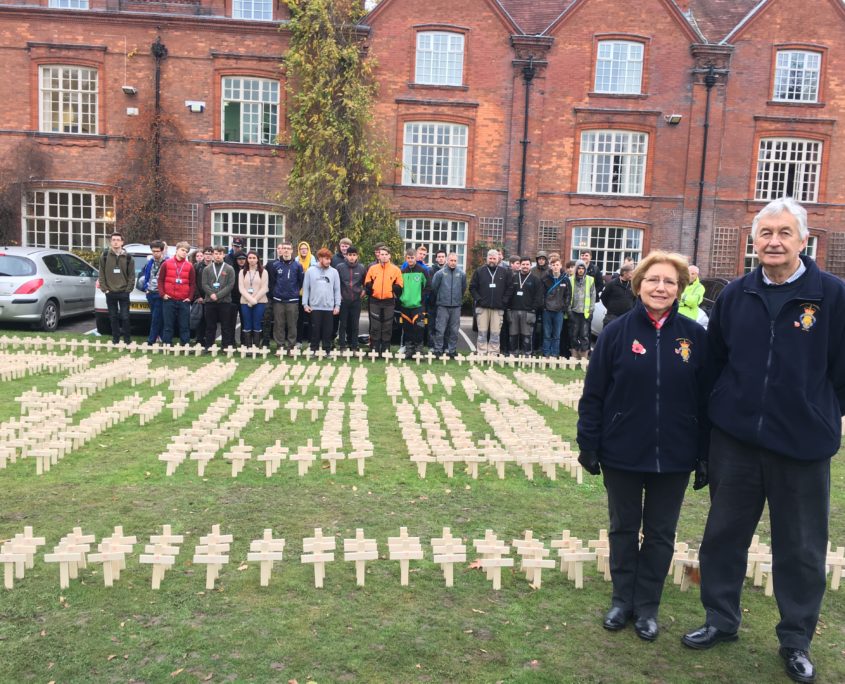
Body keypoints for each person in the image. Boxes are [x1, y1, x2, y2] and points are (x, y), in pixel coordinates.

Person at [682, 198, 845, 684]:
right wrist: (718, 421)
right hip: (737, 441)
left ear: (803, 240)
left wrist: (819, 410)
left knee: (800, 548)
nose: (774, 242)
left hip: (801, 445)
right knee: (724, 537)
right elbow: (715, 363)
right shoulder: (735, 294)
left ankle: (795, 640)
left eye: (784, 233)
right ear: (755, 241)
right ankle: (720, 619)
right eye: (766, 233)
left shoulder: (832, 296)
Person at [578, 250, 709, 642]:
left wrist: (704, 453)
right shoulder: (617, 332)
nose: (661, 287)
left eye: (670, 281)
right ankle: (622, 600)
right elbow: (595, 392)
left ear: (680, 289)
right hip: (622, 451)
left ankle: (648, 606)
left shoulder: (695, 336)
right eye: (653, 280)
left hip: (674, 454)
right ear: (639, 284)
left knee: (660, 533)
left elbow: (706, 400)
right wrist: (589, 441)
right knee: (623, 528)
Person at [469, 249, 511, 355]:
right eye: (490, 258)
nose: (492, 260)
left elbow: (510, 288)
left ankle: (493, 351)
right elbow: (472, 287)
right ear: (487, 259)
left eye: (494, 258)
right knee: (482, 332)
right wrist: (479, 299)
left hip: (498, 308)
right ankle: (481, 351)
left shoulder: (504, 272)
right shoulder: (479, 271)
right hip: (482, 307)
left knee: (495, 332)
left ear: (498, 259)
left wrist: (504, 301)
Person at [364, 245, 403, 354]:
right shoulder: (372, 268)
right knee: (375, 326)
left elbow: (400, 284)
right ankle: (374, 348)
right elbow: (367, 282)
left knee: (387, 326)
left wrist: (392, 291)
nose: (384, 256)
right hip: (375, 301)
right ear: (378, 255)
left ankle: (385, 349)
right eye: (382, 254)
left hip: (389, 302)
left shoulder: (396, 270)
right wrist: (371, 290)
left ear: (389, 256)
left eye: (386, 254)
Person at [98, 232, 135, 344]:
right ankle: (116, 339)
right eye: (113, 239)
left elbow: (132, 276)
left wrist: (128, 290)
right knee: (113, 317)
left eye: (118, 240)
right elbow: (101, 274)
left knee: (125, 317)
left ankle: (127, 339)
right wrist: (105, 289)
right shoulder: (104, 256)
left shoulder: (128, 258)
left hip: (124, 292)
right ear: (111, 241)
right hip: (110, 292)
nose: (115, 242)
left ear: (122, 242)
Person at [302, 247, 341, 354]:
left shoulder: (334, 272)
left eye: (329, 259)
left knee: (328, 331)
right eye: (326, 259)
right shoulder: (310, 271)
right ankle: (313, 349)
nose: (328, 261)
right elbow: (306, 289)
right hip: (314, 307)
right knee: (315, 330)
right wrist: (305, 304)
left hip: (329, 307)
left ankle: (327, 350)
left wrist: (337, 306)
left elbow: (337, 290)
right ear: (320, 258)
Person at [269, 241, 304, 352]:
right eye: (284, 248)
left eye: (288, 248)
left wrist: (294, 292)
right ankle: (280, 346)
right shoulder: (275, 265)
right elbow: (272, 281)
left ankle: (291, 347)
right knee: (279, 324)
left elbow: (300, 281)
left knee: (292, 324)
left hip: (292, 300)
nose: (286, 250)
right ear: (281, 250)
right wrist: (276, 293)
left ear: (292, 250)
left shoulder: (297, 265)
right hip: (278, 300)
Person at [159, 241, 196, 345]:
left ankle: (185, 345)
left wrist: (190, 297)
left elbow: (193, 283)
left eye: (186, 251)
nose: (184, 253)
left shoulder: (189, 266)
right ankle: (167, 344)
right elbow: (160, 280)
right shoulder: (166, 263)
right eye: (182, 250)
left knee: (184, 325)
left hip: (183, 300)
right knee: (168, 325)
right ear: (177, 250)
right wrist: (163, 294)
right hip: (169, 299)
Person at [506, 257, 543, 356]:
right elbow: (508, 293)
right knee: (513, 334)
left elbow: (538, 296)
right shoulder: (513, 278)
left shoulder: (535, 280)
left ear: (531, 266)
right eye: (523, 264)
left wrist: (533, 309)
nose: (525, 266)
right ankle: (513, 353)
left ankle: (526, 354)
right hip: (513, 310)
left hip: (528, 312)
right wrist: (508, 307)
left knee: (527, 335)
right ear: (520, 265)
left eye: (527, 264)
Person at [398, 247, 431, 359]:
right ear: (406, 258)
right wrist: (401, 298)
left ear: (416, 258)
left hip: (418, 306)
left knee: (419, 328)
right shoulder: (402, 272)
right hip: (405, 305)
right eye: (408, 258)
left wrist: (420, 298)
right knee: (407, 329)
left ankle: (419, 350)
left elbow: (428, 286)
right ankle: (409, 350)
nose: (410, 260)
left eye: (412, 257)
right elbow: (398, 287)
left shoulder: (423, 271)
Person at [431, 252, 466, 359]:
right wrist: (442, 298)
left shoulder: (461, 274)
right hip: (442, 306)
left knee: (454, 330)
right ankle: (438, 350)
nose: (453, 262)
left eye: (455, 261)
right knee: (440, 329)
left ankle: (452, 350)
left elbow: (463, 288)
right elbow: (434, 288)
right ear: (447, 260)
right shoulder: (440, 273)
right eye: (451, 260)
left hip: (456, 306)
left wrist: (456, 299)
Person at [202, 246, 237, 350]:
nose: (218, 256)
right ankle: (209, 346)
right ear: (213, 255)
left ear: (224, 255)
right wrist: (212, 294)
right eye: (216, 253)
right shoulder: (207, 269)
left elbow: (230, 285)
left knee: (226, 326)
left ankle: (225, 347)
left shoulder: (229, 268)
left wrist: (218, 295)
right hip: (210, 301)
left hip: (225, 302)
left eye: (220, 254)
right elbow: (204, 284)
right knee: (210, 326)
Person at [335, 245, 366, 351]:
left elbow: (366, 282)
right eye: (350, 255)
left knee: (355, 324)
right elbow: (336, 283)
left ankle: (354, 345)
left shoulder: (361, 268)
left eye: (354, 255)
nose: (352, 257)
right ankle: (342, 345)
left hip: (356, 300)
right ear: (346, 256)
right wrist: (338, 294)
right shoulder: (340, 267)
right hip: (344, 300)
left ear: (357, 256)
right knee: (343, 324)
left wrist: (364, 290)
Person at [138, 240, 167, 345]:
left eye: (157, 251)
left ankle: (151, 340)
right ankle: (162, 338)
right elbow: (146, 276)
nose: (155, 253)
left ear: (162, 251)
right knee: (156, 317)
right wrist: (146, 288)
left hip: (160, 293)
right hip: (150, 293)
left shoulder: (166, 262)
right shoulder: (150, 262)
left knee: (156, 317)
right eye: (153, 251)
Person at [541, 255, 570, 358]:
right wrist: (544, 306)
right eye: (553, 265)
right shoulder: (545, 278)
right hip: (547, 310)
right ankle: (546, 354)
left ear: (561, 265)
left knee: (557, 335)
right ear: (550, 266)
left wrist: (564, 308)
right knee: (547, 334)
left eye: (557, 265)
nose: (555, 267)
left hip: (559, 311)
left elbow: (568, 295)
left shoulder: (565, 279)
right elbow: (542, 294)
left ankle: (554, 354)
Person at [238, 250, 269, 348]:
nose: (251, 260)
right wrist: (250, 300)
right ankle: (247, 347)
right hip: (245, 302)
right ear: (247, 259)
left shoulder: (263, 272)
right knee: (247, 323)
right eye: (250, 258)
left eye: (254, 258)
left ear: (257, 259)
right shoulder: (242, 272)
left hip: (260, 302)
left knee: (257, 323)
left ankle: (256, 347)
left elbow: (264, 288)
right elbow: (241, 288)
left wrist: (254, 300)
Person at [568, 260, 595, 359]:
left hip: (585, 312)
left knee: (584, 335)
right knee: (573, 334)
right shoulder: (570, 279)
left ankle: (584, 356)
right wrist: (569, 311)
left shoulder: (590, 280)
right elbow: (567, 296)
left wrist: (591, 311)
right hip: (574, 311)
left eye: (582, 268)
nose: (580, 270)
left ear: (585, 269)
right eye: (579, 268)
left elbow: (593, 296)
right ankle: (574, 355)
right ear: (576, 269)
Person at [600, 263, 636, 327]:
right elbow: (603, 297)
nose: (632, 275)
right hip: (611, 317)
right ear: (624, 273)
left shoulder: (633, 285)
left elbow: (635, 299)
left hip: (627, 318)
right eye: (631, 273)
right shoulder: (612, 283)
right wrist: (611, 307)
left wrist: (631, 309)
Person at [296, 241, 316, 344]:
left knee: (311, 319)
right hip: (298, 294)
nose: (303, 250)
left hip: (311, 295)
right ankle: (298, 341)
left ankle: (310, 341)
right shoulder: (295, 261)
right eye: (301, 249)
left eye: (305, 248)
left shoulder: (313, 261)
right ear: (299, 250)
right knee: (299, 319)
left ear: (308, 250)